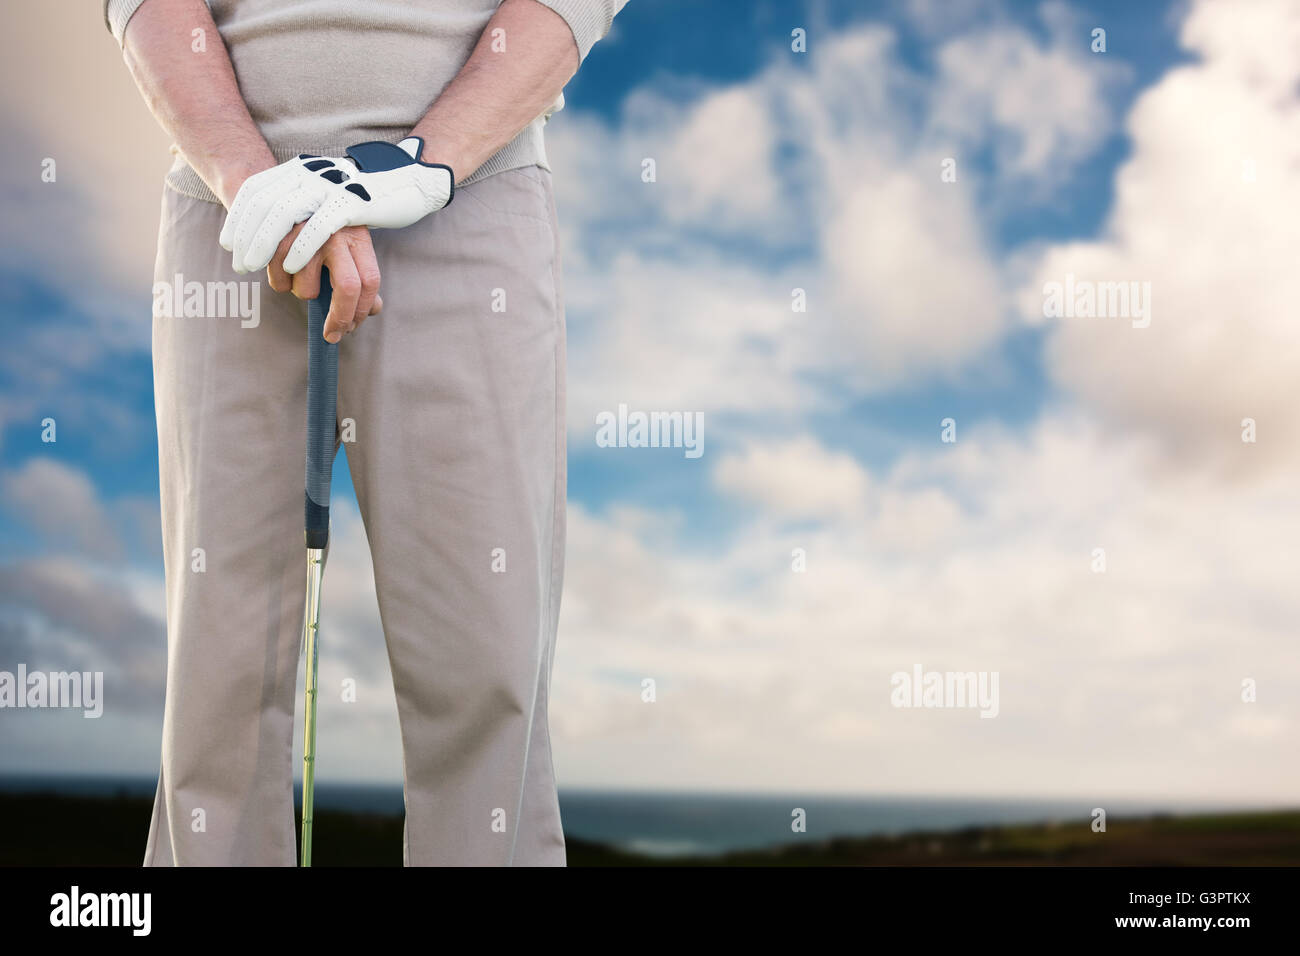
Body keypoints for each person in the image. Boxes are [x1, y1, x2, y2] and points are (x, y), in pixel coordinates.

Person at [104, 0, 625, 866]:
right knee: (220, 674)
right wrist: (251, 182)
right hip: (227, 212)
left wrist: (420, 163)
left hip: (472, 196)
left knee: (484, 654)